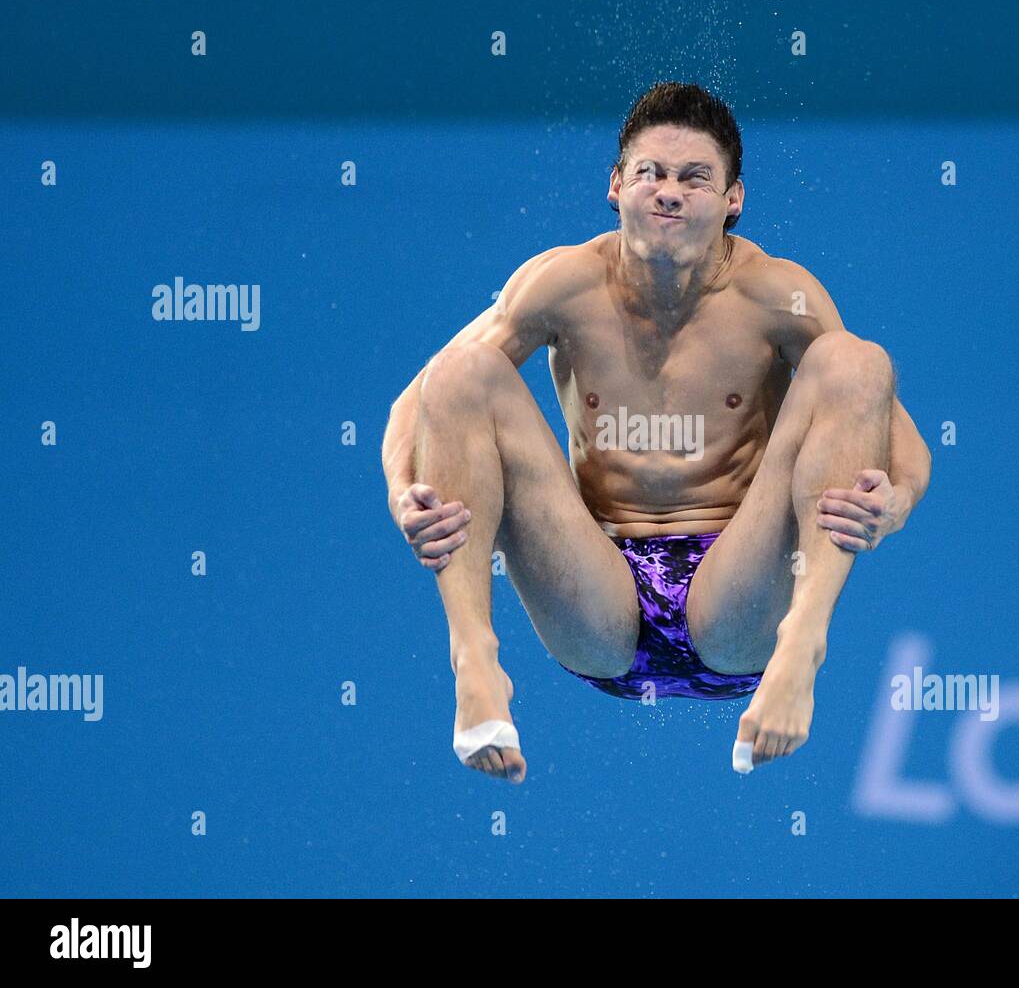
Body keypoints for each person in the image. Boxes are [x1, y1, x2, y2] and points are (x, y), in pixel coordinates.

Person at [381, 81, 931, 782]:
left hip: (739, 601)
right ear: (616, 185)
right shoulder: (561, 284)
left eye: (694, 177)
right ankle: (473, 660)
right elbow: (416, 400)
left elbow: (902, 438)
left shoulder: (777, 294)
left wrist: (896, 502)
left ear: (734, 198)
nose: (669, 191)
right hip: (594, 596)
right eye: (652, 173)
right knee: (461, 371)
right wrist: (405, 492)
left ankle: (803, 648)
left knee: (854, 360)